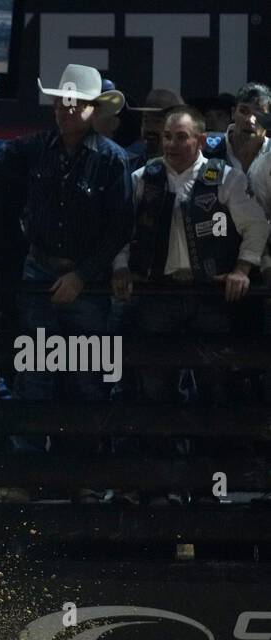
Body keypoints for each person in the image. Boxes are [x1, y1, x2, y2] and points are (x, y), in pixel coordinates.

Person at [0, 64, 132, 502]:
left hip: (85, 282)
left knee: (86, 376)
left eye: (73, 102)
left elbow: (120, 228)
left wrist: (82, 274)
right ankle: (26, 474)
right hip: (39, 273)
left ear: (92, 110)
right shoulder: (38, 148)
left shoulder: (113, 160)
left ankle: (82, 478)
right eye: (60, 101)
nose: (65, 109)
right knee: (34, 374)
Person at [111, 106, 269, 503]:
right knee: (154, 389)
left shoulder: (224, 178)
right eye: (167, 136)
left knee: (215, 386)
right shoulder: (142, 179)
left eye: (181, 137)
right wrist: (121, 268)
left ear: (200, 140)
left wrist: (243, 269)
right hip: (158, 294)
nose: (172, 144)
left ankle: (210, 485)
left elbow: (257, 225)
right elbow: (119, 230)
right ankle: (161, 485)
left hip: (208, 296)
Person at [127, 89, 185, 170]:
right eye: (146, 120)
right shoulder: (131, 163)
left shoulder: (189, 166)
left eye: (158, 121)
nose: (150, 128)